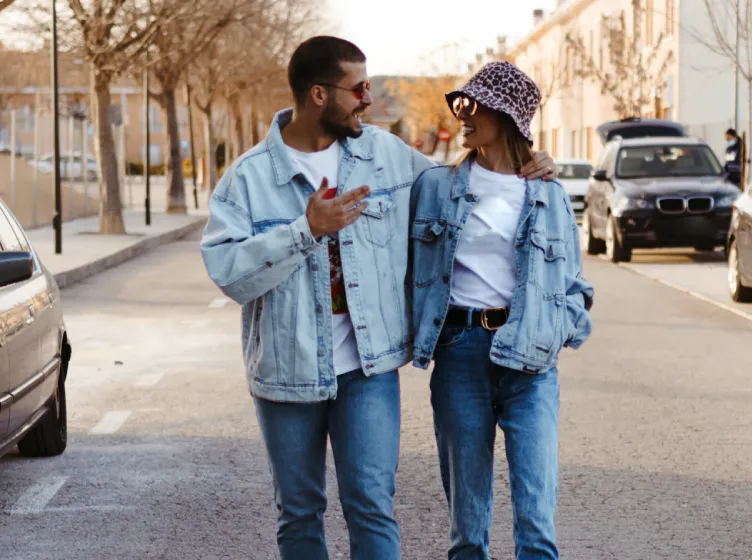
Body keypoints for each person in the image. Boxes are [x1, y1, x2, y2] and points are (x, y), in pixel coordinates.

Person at [200, 36, 557, 560]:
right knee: (298, 511)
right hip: (287, 369)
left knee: (371, 504)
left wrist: (531, 161)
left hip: (368, 370)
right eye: (359, 88)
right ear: (320, 94)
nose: (369, 98)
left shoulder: (386, 157)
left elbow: (458, 186)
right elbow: (228, 272)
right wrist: (305, 229)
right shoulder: (250, 179)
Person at [409, 61, 594, 560]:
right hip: (460, 351)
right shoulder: (433, 186)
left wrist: (559, 330)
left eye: (473, 105)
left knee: (536, 523)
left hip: (531, 359)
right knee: (467, 528)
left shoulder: (548, 193)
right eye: (459, 103)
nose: (462, 114)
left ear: (507, 116)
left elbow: (575, 282)